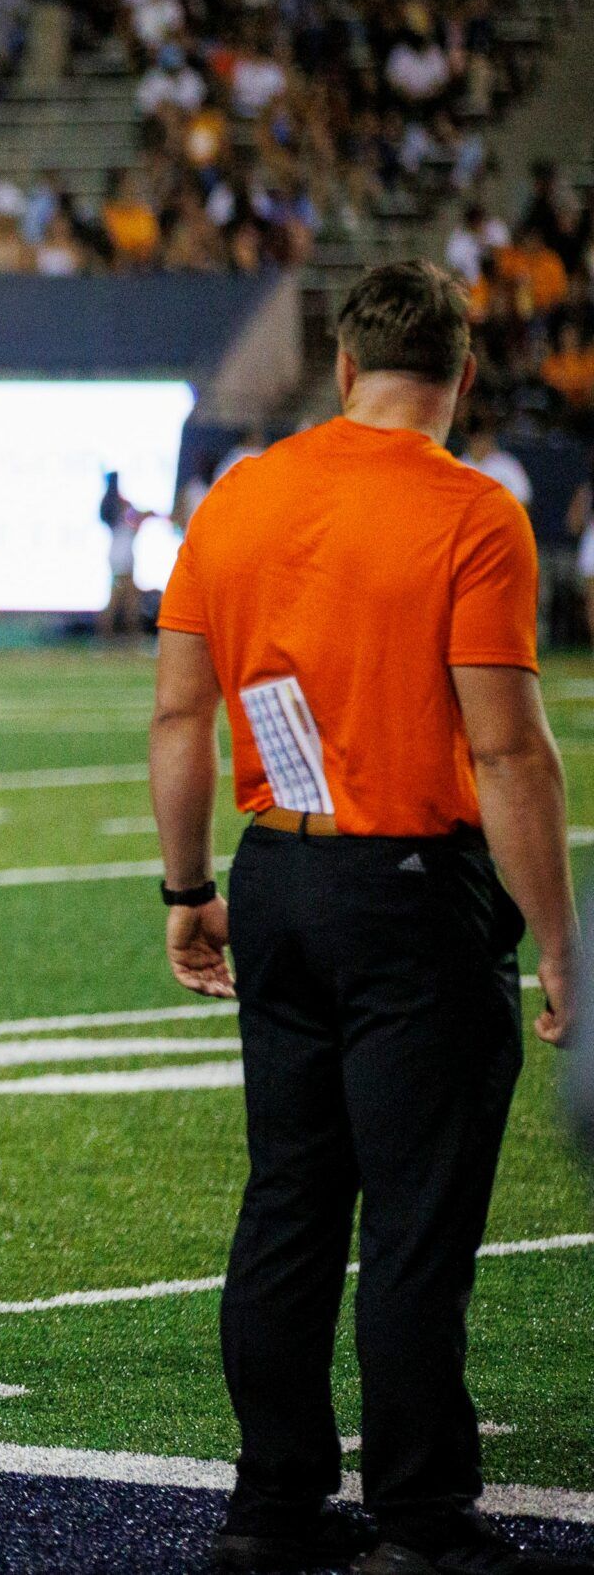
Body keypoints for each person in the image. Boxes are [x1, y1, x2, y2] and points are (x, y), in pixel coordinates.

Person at [148, 262, 586, 1575]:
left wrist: (187, 888)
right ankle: (417, 1517)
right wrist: (562, 942)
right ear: (460, 380)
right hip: (414, 892)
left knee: (287, 1202)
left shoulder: (240, 494)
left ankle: (269, 1507)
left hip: (274, 874)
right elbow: (508, 752)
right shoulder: (474, 512)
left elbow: (178, 716)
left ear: (341, 367)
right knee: (413, 1217)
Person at [99, 471, 148, 639]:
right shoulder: (121, 505)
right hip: (124, 557)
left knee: (120, 597)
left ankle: (107, 635)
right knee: (129, 599)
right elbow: (136, 522)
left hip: (114, 556)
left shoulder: (107, 503)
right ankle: (132, 635)